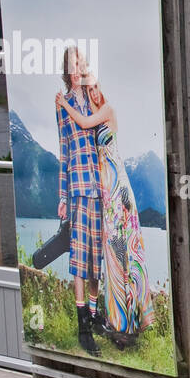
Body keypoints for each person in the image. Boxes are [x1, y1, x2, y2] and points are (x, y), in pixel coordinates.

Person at [55, 81, 154, 342]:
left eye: (96, 86)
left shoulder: (107, 110)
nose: (94, 92)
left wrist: (64, 104)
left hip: (118, 188)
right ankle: (121, 323)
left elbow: (85, 123)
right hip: (106, 192)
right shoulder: (96, 116)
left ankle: (131, 322)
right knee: (114, 255)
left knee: (125, 252)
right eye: (89, 90)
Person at [56, 47, 103, 357]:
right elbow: (64, 151)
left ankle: (97, 317)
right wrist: (62, 195)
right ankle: (83, 327)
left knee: (97, 259)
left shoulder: (94, 97)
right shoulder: (64, 103)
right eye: (70, 65)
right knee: (80, 262)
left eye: (79, 64)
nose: (75, 70)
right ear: (66, 69)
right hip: (78, 186)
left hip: (100, 186)